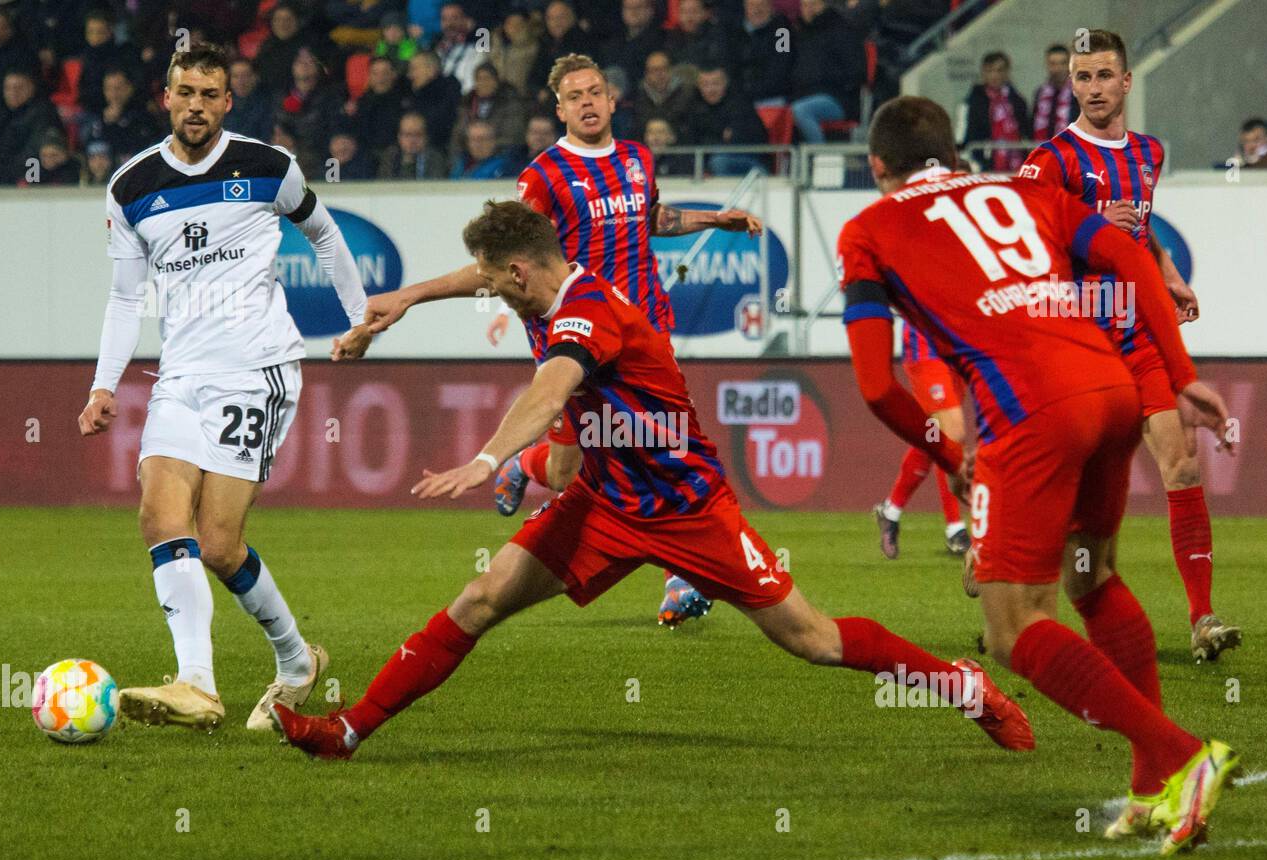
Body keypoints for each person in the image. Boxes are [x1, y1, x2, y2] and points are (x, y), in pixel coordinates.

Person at [270, 198, 1034, 762]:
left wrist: (485, 460)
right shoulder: (541, 274)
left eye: (500, 287)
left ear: (523, 273)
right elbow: (483, 270)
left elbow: (548, 393)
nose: (496, 296)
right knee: (479, 597)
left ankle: (965, 687)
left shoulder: (589, 312)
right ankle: (348, 730)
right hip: (606, 500)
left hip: (689, 507)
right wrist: (404, 297)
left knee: (816, 641)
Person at [839, 94, 1239, 855]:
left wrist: (950, 453)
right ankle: (1154, 785)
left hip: (1033, 412)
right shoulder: (1026, 190)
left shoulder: (868, 230)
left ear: (877, 167)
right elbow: (1127, 255)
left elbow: (873, 384)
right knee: (1092, 579)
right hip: (1114, 388)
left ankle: (1183, 755)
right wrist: (1179, 373)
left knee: (1011, 626)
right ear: (954, 154)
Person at [345, 53, 763, 628]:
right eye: (576, 96)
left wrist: (714, 220)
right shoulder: (542, 177)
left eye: (597, 91)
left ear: (613, 100)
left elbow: (650, 218)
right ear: (560, 108)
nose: (588, 102)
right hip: (575, 343)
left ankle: (681, 575)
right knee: (569, 473)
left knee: (669, 448)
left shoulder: (638, 159)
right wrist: (411, 295)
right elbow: (496, 263)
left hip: (643, 335)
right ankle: (529, 465)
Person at [76, 43, 372, 732]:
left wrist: (360, 322)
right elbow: (125, 300)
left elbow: (326, 237)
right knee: (159, 518)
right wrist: (102, 386)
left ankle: (295, 661)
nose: (197, 106)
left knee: (218, 543)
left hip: (256, 369)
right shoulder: (131, 186)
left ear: (227, 100)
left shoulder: (269, 168)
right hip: (178, 375)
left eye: (211, 94)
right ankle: (197, 683)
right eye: (186, 92)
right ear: (168, 96)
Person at [1019, 29, 1241, 662]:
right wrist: (1089, 230)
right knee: (1063, 486)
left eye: (1101, 76)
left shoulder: (1148, 153)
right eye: (1081, 78)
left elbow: (1142, 229)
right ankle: (1016, 591)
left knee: (1184, 463)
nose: (1091, 88)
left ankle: (1202, 620)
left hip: (1136, 334)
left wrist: (1167, 274)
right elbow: (1024, 250)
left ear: (1126, 82)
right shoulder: (1050, 160)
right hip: (1075, 345)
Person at [871, 322, 969, 559]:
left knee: (933, 433)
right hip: (925, 345)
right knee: (948, 433)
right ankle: (955, 528)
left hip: (960, 342)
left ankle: (891, 511)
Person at [789, 0, 867, 143]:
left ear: (825, 5)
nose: (809, 10)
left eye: (814, 4)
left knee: (800, 111)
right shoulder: (797, 34)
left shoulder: (842, 29)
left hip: (837, 98)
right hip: (802, 95)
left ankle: (823, 157)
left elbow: (857, 72)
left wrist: (824, 79)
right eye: (805, 5)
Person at [683, 64, 767, 176]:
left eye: (716, 83)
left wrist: (712, 137)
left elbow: (745, 139)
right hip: (705, 159)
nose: (710, 89)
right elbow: (689, 140)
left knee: (719, 161)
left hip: (749, 160)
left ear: (725, 84)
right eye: (705, 84)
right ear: (698, 86)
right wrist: (720, 134)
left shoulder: (741, 105)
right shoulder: (693, 107)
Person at [960, 51, 1031, 171]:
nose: (994, 75)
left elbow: (1026, 131)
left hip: (1017, 164)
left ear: (1007, 72)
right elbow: (963, 133)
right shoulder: (972, 101)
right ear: (983, 73)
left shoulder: (1018, 100)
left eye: (999, 70)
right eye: (990, 71)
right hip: (984, 164)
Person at [729, 0, 792, 106]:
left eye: (762, 5)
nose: (757, 10)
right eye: (752, 5)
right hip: (742, 98)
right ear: (745, 8)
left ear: (771, 7)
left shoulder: (782, 30)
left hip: (772, 97)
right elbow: (731, 66)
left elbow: (782, 65)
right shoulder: (736, 33)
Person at [377, 111, 449, 178]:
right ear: (399, 137)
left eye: (418, 135)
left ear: (426, 137)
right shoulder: (390, 157)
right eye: (407, 135)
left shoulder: (435, 158)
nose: (412, 140)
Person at [1030, 44, 1078, 143]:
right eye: (1053, 64)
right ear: (1047, 65)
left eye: (1062, 63)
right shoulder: (1040, 93)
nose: (1058, 69)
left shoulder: (1078, 93)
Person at [227, 58, 277, 142]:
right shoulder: (221, 105)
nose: (241, 81)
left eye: (245, 75)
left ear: (255, 77)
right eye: (236, 76)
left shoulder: (267, 104)